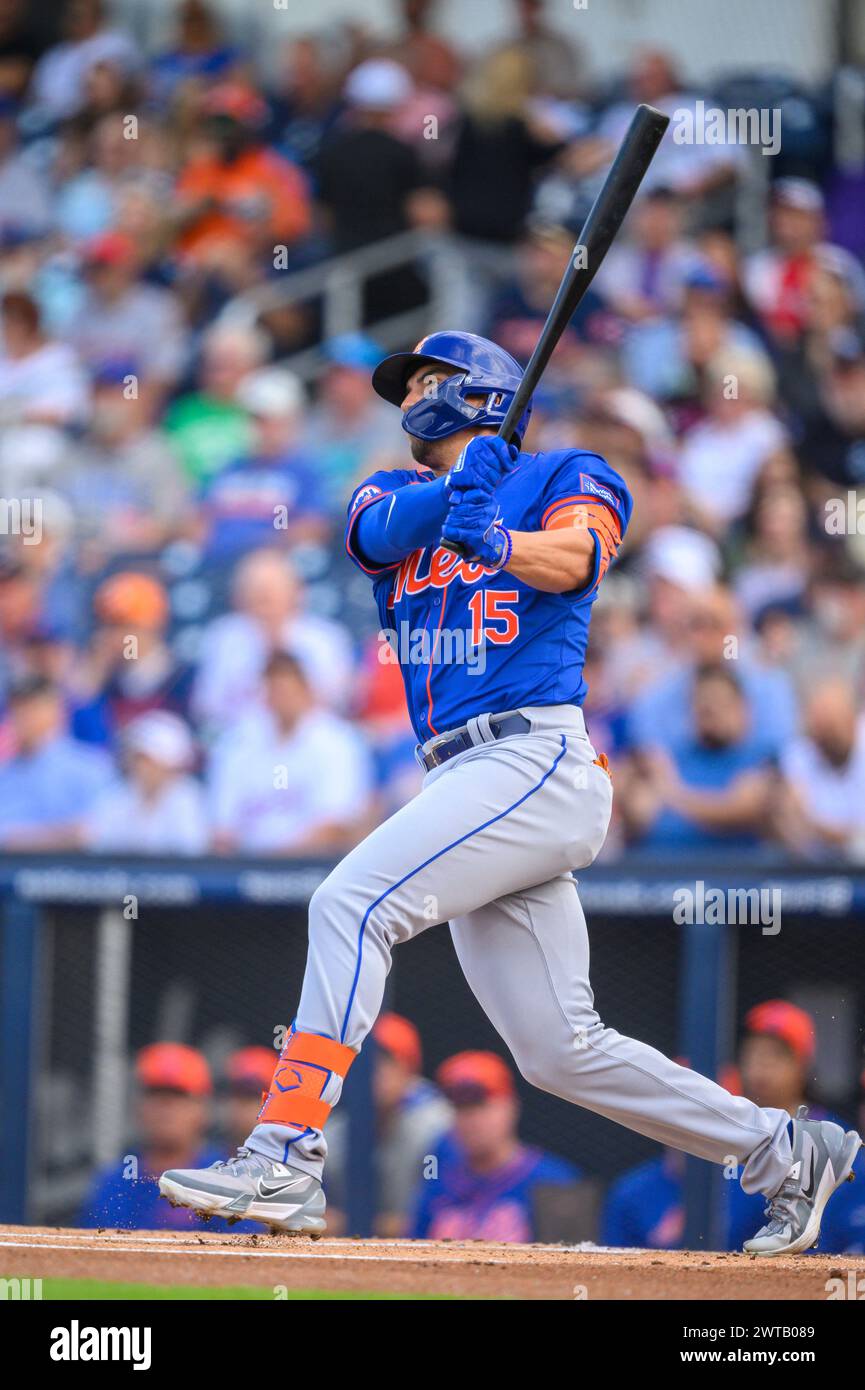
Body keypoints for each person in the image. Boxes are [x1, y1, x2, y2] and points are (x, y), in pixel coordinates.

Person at [159, 328, 861, 1254]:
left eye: (430, 378)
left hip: (533, 756)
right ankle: (782, 1148)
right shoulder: (392, 491)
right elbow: (372, 533)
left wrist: (498, 531)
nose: (412, 393)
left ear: (487, 392)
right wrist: (462, 492)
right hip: (465, 775)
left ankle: (284, 1147)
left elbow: (577, 561)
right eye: (405, 383)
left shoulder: (571, 470)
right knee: (559, 1050)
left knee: (350, 902)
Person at [603, 1002, 855, 1252]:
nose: (762, 1066)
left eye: (776, 1055)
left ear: (803, 1066)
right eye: (754, 1054)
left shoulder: (839, 1144)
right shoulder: (740, 1152)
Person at [207, 649, 372, 855]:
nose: (281, 698)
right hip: (244, 867)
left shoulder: (337, 741)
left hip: (312, 867)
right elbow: (222, 827)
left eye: (287, 690)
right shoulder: (238, 742)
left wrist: (275, 865)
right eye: (273, 689)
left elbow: (336, 824)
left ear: (306, 690)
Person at [410, 1050, 578, 1242]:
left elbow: (575, 1266)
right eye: (460, 1107)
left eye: (480, 1105)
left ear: (511, 1106)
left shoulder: (555, 1179)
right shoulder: (437, 1180)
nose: (471, 1120)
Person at [192, 548, 353, 734]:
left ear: (295, 592)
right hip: (241, 739)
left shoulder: (325, 638)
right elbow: (207, 706)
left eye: (271, 592)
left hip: (309, 738)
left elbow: (338, 702)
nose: (264, 601)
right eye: (256, 593)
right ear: (240, 597)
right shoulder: (223, 637)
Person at [324, 1012, 452, 1236]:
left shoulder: (438, 1124)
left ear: (409, 1070)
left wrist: (351, 1224)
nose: (375, 1071)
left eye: (386, 1060)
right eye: (365, 1060)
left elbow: (437, 1220)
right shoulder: (332, 1128)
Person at [78, 1042, 220, 1230]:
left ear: (203, 1109)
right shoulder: (115, 1183)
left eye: (178, 1096)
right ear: (138, 1106)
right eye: (155, 1094)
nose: (165, 1107)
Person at [0, 672, 112, 847]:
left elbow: (97, 831)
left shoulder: (91, 766)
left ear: (56, 711)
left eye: (33, 708)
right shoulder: (5, 773)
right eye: (17, 708)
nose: (23, 716)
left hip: (70, 871)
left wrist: (18, 839)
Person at [80, 710, 207, 855]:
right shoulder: (115, 795)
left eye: (149, 760)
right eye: (139, 758)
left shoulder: (188, 797)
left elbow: (191, 851)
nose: (142, 767)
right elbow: (99, 846)